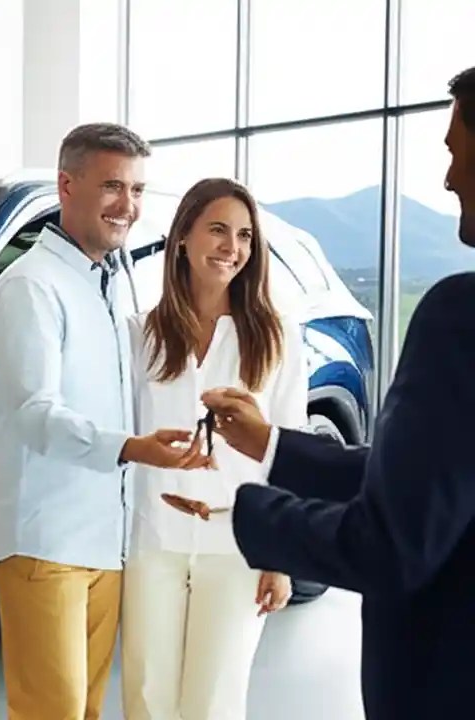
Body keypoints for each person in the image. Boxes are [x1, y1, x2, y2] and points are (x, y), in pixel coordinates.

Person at [200, 66, 475, 720]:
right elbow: (432, 484)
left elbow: (391, 543)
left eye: (457, 155)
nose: (448, 179)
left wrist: (241, 512)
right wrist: (272, 446)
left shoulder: (458, 317)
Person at [0, 122, 211, 720]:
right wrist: (134, 448)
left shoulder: (113, 285)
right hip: (44, 540)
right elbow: (35, 414)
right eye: (113, 187)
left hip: (106, 542)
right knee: (49, 712)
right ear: (66, 185)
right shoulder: (30, 286)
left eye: (136, 190)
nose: (128, 206)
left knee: (83, 712)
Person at [119, 177, 307, 720]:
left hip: (240, 547)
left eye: (245, 235)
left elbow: (288, 448)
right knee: (148, 702)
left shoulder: (276, 336)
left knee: (213, 706)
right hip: (153, 542)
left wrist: (281, 558)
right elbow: (122, 439)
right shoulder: (141, 335)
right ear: (182, 238)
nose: (232, 247)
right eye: (218, 230)